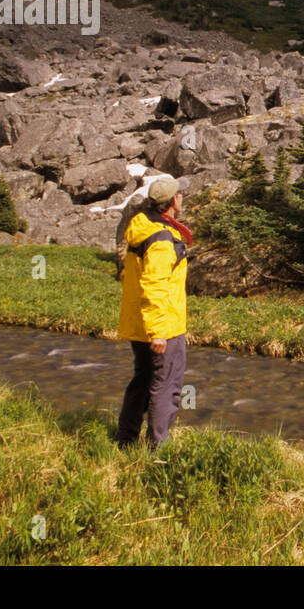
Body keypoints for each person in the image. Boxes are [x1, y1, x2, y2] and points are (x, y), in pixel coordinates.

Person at [115, 175, 192, 448]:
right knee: (166, 385)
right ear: (173, 201)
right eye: (180, 194)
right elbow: (155, 286)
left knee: (143, 379)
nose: (182, 196)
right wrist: (158, 331)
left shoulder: (142, 226)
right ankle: (158, 448)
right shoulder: (161, 239)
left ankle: (125, 440)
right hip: (162, 328)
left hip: (139, 324)